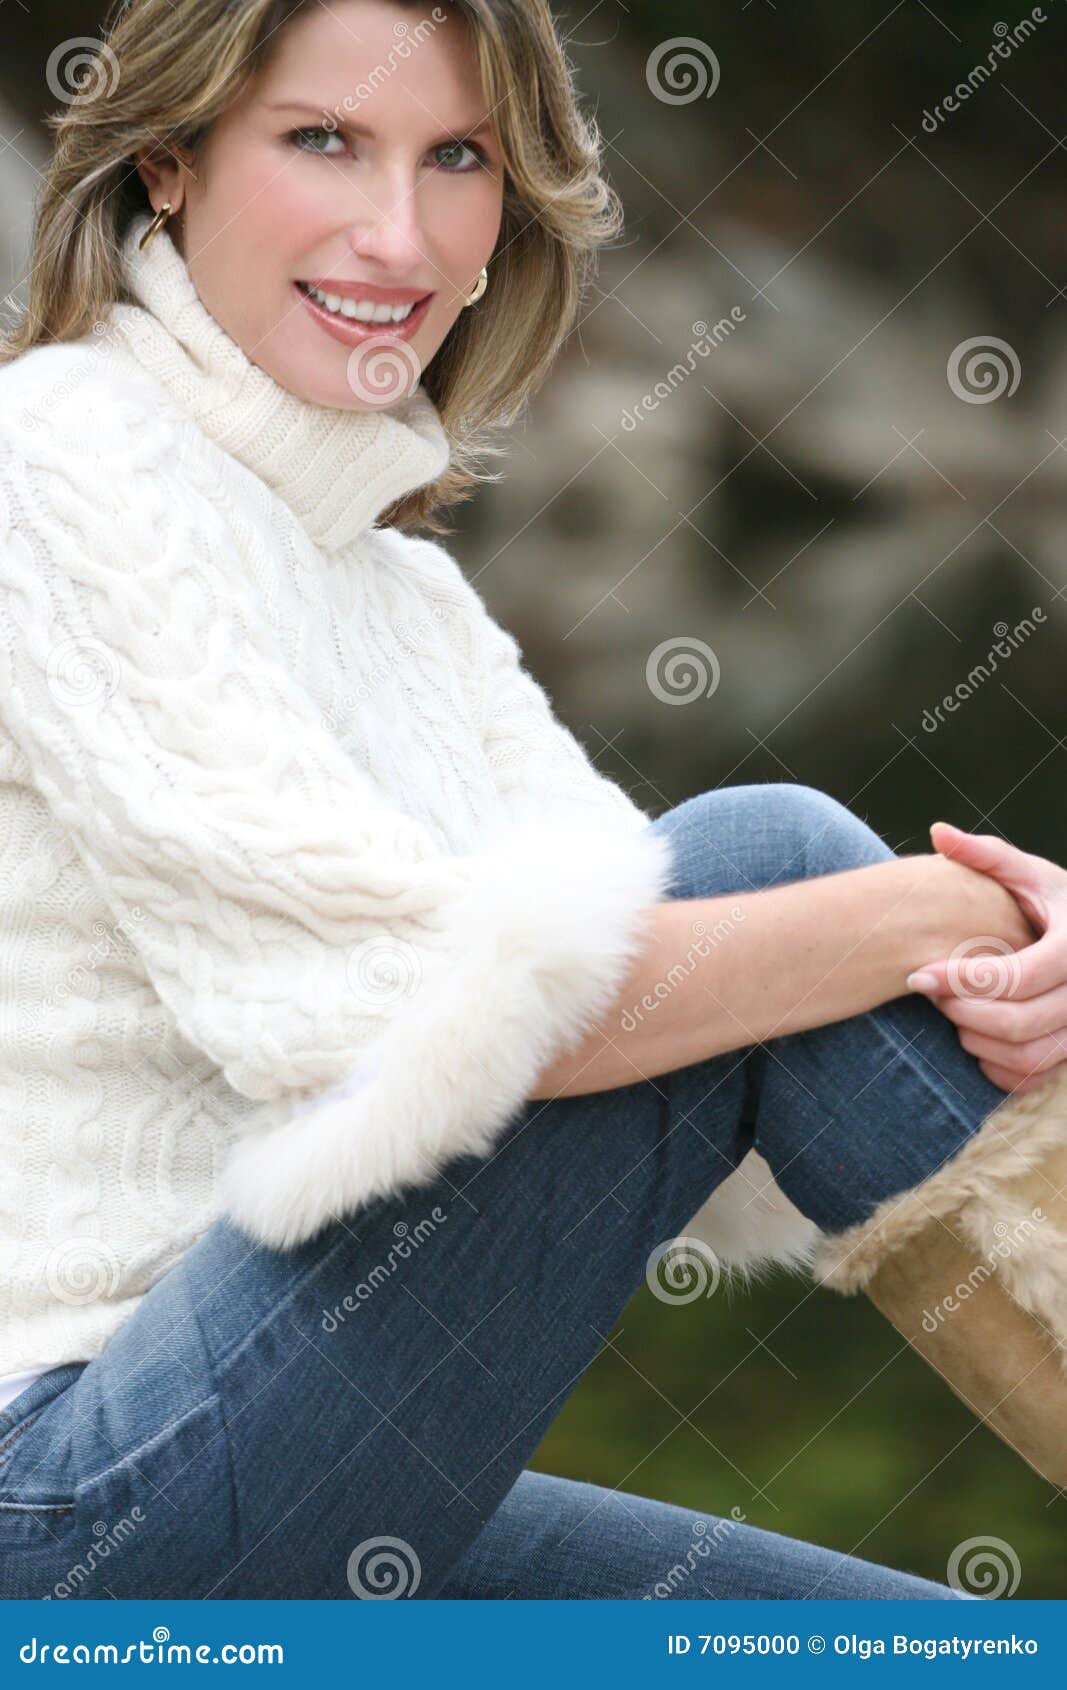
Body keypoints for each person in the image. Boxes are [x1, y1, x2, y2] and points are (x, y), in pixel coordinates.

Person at [0, 0, 1064, 1602]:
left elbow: (693, 1033)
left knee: (932, 1652)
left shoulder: (395, 591)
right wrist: (937, 908)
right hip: (67, 1505)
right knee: (762, 856)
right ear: (168, 161)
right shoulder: (59, 459)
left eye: (459, 159)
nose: (399, 232)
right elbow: (384, 1018)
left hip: (274, 1451)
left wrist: (1008, 970)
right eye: (323, 141)